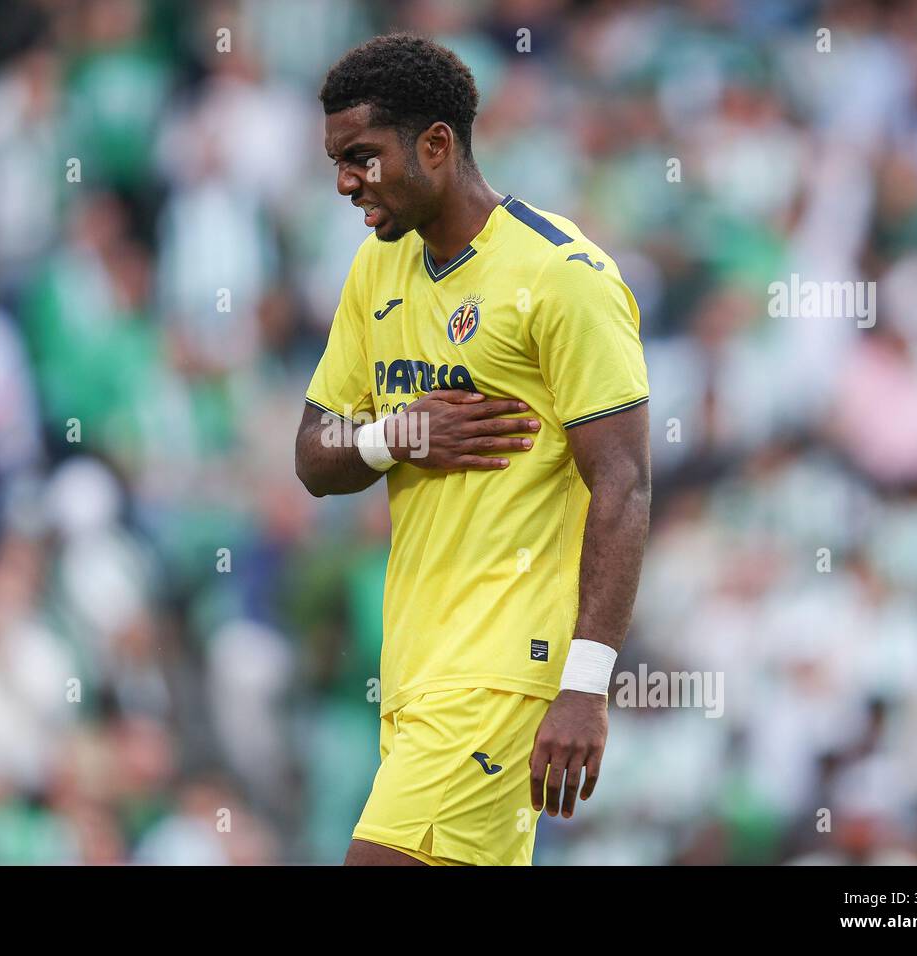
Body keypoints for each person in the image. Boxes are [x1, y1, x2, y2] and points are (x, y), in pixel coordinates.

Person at [294, 33, 651, 866]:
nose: (346, 182)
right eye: (338, 162)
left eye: (362, 157)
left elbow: (624, 487)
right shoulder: (376, 273)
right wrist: (404, 431)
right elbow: (313, 457)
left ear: (437, 144)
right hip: (415, 666)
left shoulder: (564, 276)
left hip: (500, 670)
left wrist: (584, 686)